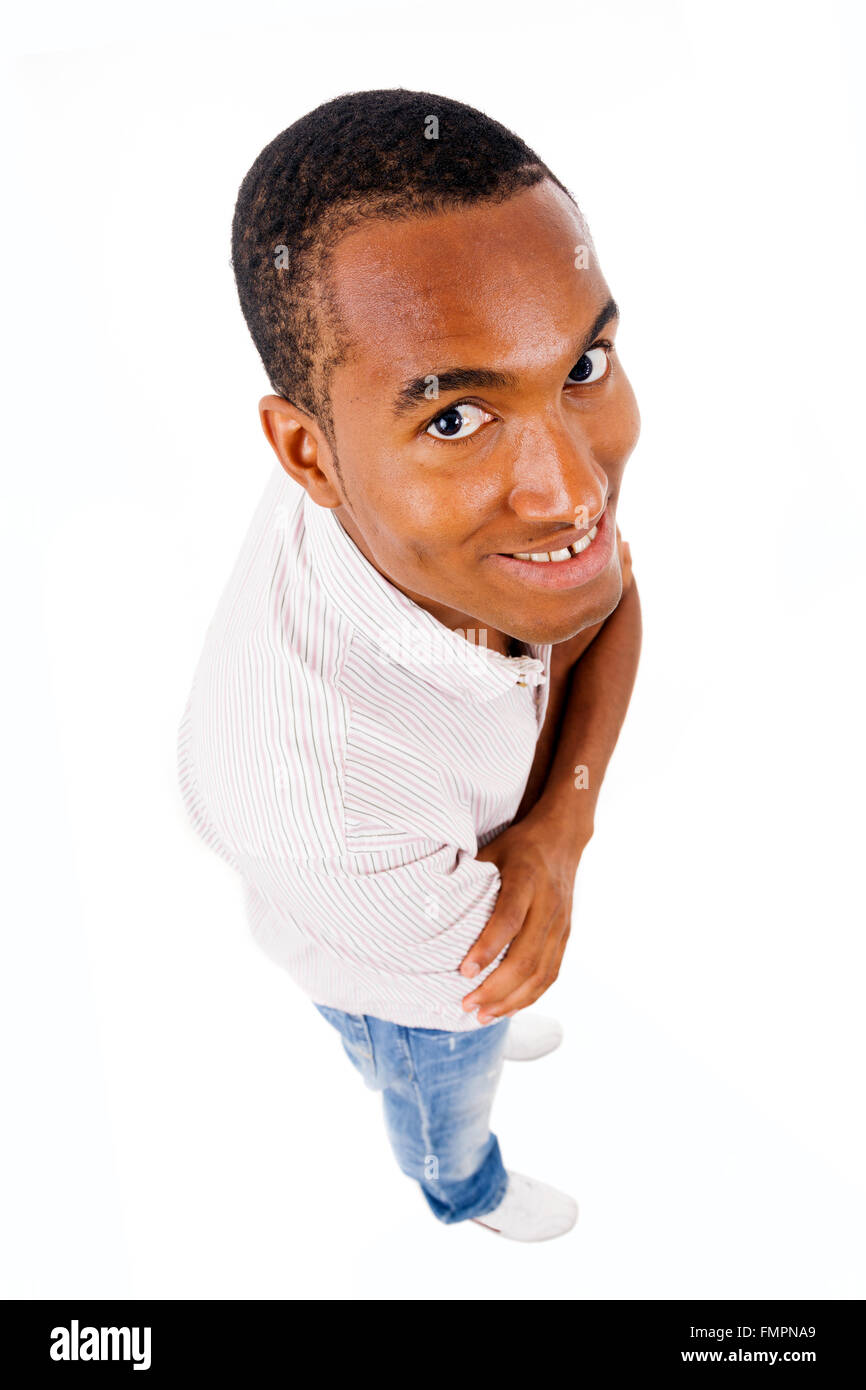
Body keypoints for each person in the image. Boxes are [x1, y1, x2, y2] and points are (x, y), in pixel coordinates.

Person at [177, 88, 642, 1241]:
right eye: (455, 420)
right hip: (408, 976)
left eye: (581, 364)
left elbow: (606, 589)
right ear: (308, 455)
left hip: (426, 906)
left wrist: (556, 833)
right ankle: (459, 1195)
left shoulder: (382, 463)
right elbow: (489, 952)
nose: (572, 489)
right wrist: (532, 888)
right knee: (441, 1073)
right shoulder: (331, 801)